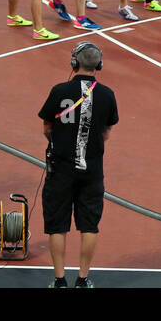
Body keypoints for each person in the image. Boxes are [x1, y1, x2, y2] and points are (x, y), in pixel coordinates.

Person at [39, 42, 118, 288]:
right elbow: (106, 132)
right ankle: (83, 280)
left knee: (57, 226)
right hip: (92, 170)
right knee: (89, 226)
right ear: (99, 65)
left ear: (74, 63)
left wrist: (61, 142)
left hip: (60, 169)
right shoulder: (107, 94)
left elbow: (47, 127)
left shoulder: (59, 89)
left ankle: (59, 280)